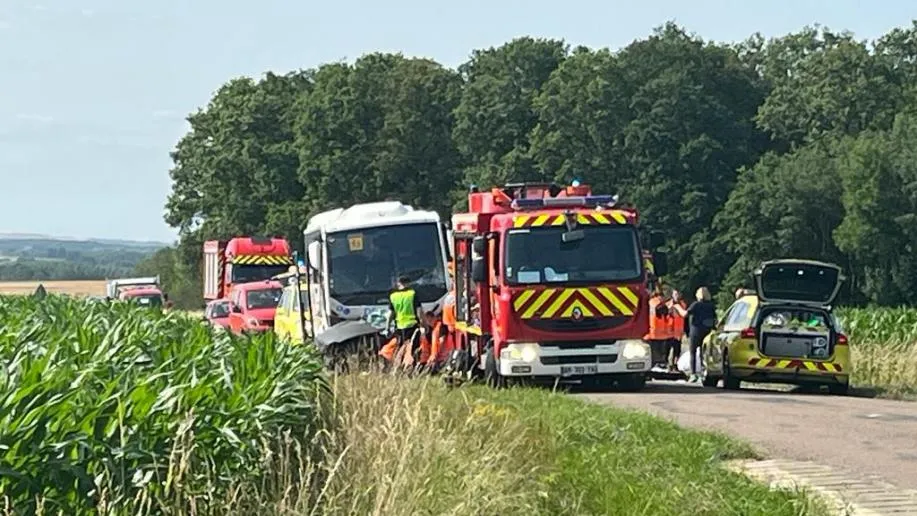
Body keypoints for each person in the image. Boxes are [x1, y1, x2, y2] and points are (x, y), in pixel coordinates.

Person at [673, 287, 717, 383]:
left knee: (693, 352)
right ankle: (703, 372)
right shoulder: (711, 305)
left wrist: (677, 307)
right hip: (707, 331)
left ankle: (693, 374)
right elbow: (714, 319)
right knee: (703, 353)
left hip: (696, 330)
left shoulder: (696, 305)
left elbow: (685, 314)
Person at [386, 275, 425, 364]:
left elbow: (390, 314)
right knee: (413, 349)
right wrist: (423, 325)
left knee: (400, 349)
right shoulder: (412, 294)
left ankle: (398, 367)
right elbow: (419, 312)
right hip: (412, 326)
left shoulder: (393, 296)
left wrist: (387, 328)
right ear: (408, 283)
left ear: (398, 283)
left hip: (399, 327)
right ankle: (413, 366)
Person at [643, 283, 672, 367]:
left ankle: (656, 364)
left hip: (655, 332)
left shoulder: (651, 301)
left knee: (655, 352)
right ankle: (658, 364)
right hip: (658, 332)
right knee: (658, 352)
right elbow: (662, 311)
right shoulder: (658, 303)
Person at [666, 289, 687, 372]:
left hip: (678, 332)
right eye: (675, 294)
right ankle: (668, 364)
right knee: (667, 349)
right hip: (669, 331)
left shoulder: (683, 305)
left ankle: (675, 364)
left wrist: (685, 330)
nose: (677, 296)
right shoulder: (668, 304)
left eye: (678, 294)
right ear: (672, 295)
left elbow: (685, 318)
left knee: (677, 350)